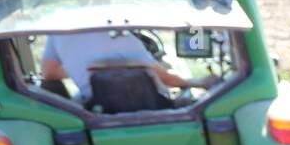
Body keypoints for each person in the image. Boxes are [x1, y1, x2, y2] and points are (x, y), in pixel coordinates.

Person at [42, 30, 216, 103]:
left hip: (96, 109)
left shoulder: (56, 35)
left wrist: (81, 67)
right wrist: (199, 82)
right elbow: (168, 79)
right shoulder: (122, 37)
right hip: (151, 106)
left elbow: (49, 73)